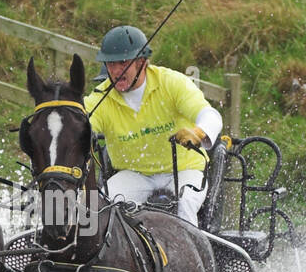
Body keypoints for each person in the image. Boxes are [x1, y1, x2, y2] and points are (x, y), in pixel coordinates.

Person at [83, 25, 223, 225]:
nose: (115, 71)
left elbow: (211, 115)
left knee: (184, 204)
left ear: (142, 62)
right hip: (133, 175)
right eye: (110, 64)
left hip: (185, 171)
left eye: (123, 63)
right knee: (102, 206)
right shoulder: (99, 97)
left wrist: (198, 132)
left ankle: (187, 253)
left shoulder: (172, 82)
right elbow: (79, 127)